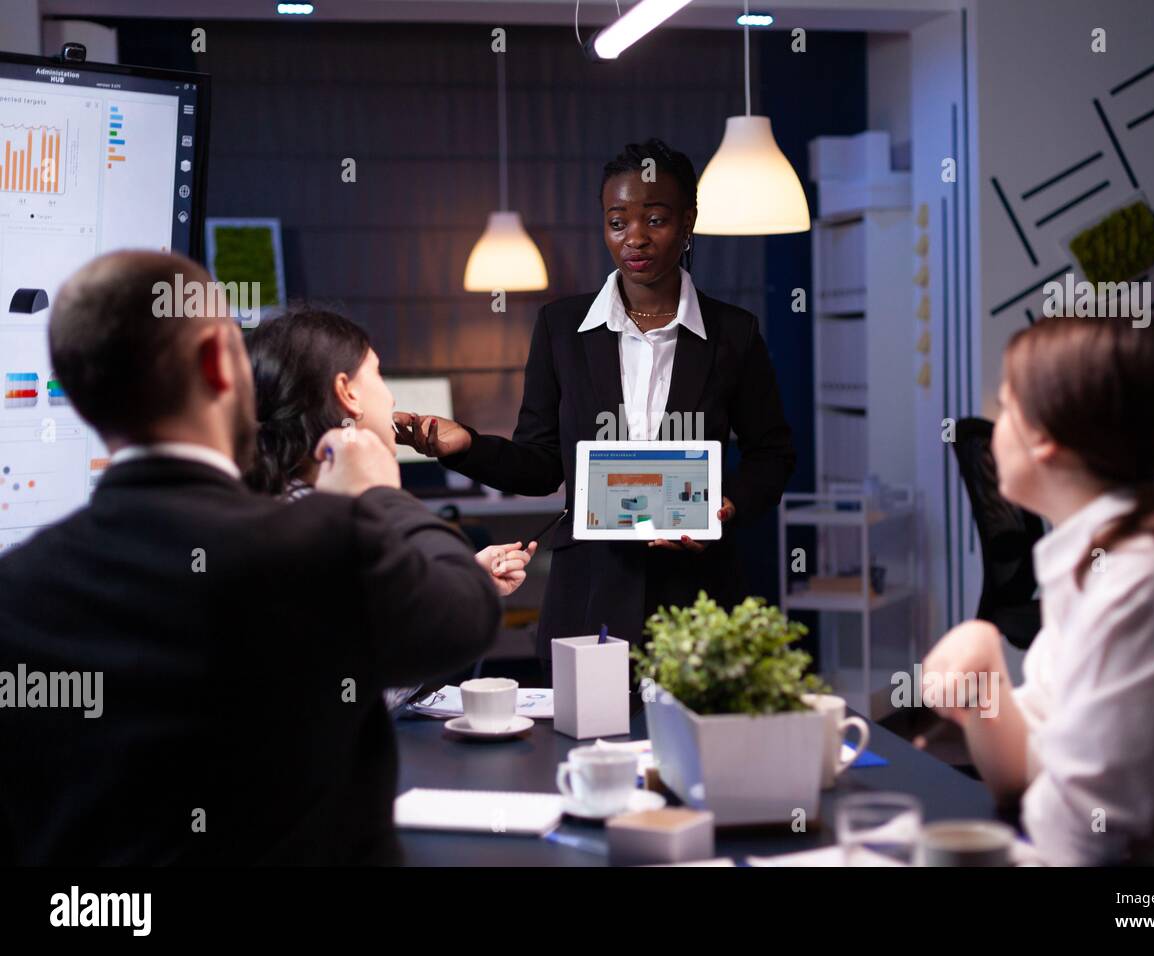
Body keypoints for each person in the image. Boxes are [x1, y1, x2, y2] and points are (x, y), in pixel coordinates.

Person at [0, 251, 501, 865]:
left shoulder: (16, 589)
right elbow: (465, 616)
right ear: (219, 363)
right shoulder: (318, 539)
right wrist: (378, 498)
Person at [921, 315, 1154, 866]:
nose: (994, 430)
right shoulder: (1101, 557)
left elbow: (1075, 834)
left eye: (1006, 409)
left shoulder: (1148, 582)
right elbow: (1025, 773)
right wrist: (984, 673)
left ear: (1044, 438)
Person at [396, 138, 796, 659]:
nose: (635, 237)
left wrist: (728, 505)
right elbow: (541, 466)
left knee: (695, 716)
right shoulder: (561, 328)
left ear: (688, 222)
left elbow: (772, 453)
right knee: (582, 715)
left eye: (656, 220)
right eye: (617, 221)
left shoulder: (734, 333)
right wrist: (465, 445)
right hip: (589, 591)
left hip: (697, 591)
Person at [243, 308, 536, 710]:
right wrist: (384, 495)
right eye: (377, 374)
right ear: (347, 393)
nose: (392, 397)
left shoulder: (268, 506)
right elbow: (365, 688)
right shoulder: (328, 529)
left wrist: (462, 582)